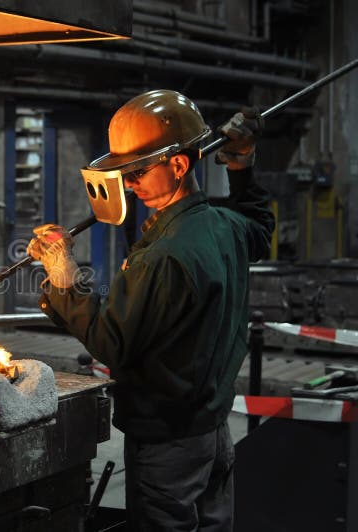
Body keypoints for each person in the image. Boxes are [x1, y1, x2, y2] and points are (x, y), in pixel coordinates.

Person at [27, 90, 275, 531]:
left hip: (169, 443)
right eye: (124, 173)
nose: (129, 183)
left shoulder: (163, 256)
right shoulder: (225, 226)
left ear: (178, 164)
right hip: (214, 432)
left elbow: (110, 341)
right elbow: (259, 225)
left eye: (138, 171)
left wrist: (62, 275)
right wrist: (242, 163)